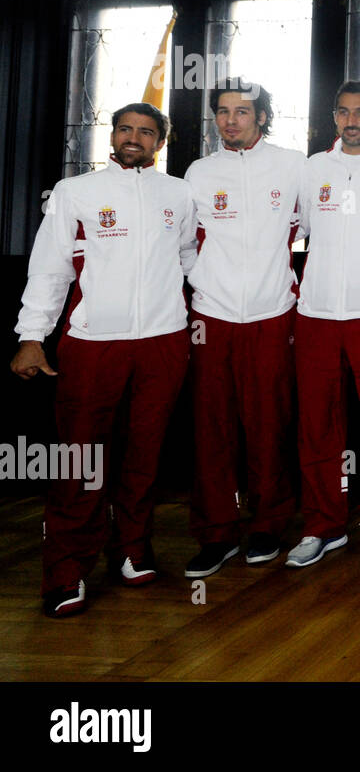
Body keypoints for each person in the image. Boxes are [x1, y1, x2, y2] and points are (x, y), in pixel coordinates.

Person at [12, 104, 193, 617]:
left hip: (162, 340)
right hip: (94, 343)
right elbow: (49, 269)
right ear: (112, 135)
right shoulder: (77, 192)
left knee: (145, 454)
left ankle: (132, 549)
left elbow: (187, 260)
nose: (134, 138)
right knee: (80, 460)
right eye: (125, 129)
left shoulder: (177, 194)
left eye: (146, 132)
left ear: (160, 141)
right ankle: (66, 571)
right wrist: (31, 335)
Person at [182, 79, 306, 578]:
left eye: (242, 111)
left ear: (261, 116)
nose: (231, 120)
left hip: (273, 312)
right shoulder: (197, 172)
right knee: (212, 430)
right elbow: (185, 241)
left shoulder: (293, 164)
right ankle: (216, 534)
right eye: (223, 112)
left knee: (269, 425)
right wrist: (204, 280)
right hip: (212, 316)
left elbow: (316, 219)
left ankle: (268, 525)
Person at [287, 81, 360, 569]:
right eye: (343, 113)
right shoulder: (312, 169)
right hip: (316, 314)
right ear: (334, 118)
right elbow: (296, 233)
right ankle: (322, 523)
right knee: (317, 425)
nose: (352, 120)